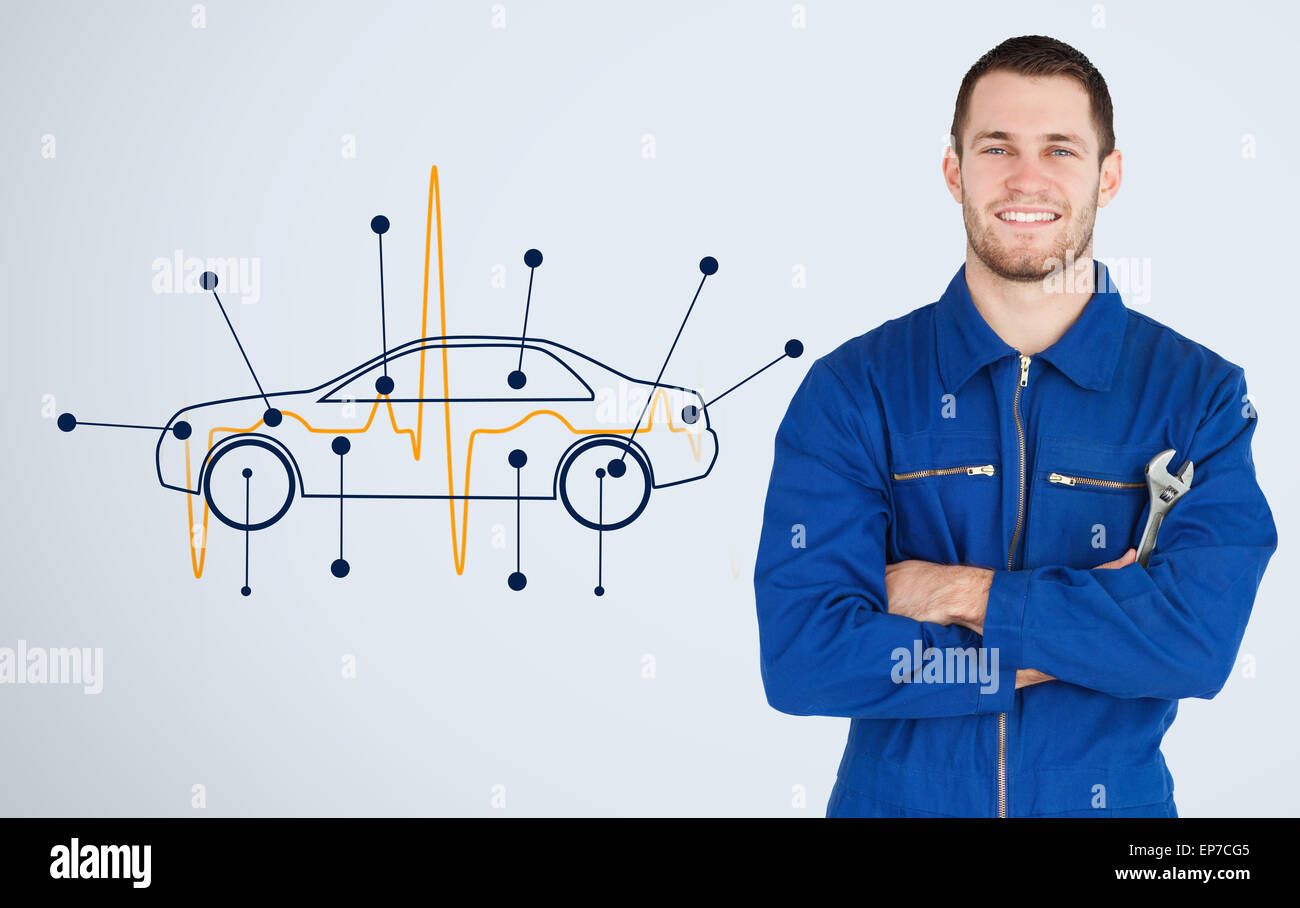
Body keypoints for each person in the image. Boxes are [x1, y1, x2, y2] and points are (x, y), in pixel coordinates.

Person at [752, 34, 1277, 818]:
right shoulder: (852, 390)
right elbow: (806, 659)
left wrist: (957, 591)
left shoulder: (1198, 395)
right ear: (954, 171)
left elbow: (1193, 646)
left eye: (1060, 149)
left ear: (1110, 175)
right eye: (998, 147)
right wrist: (1072, 638)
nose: (1026, 178)